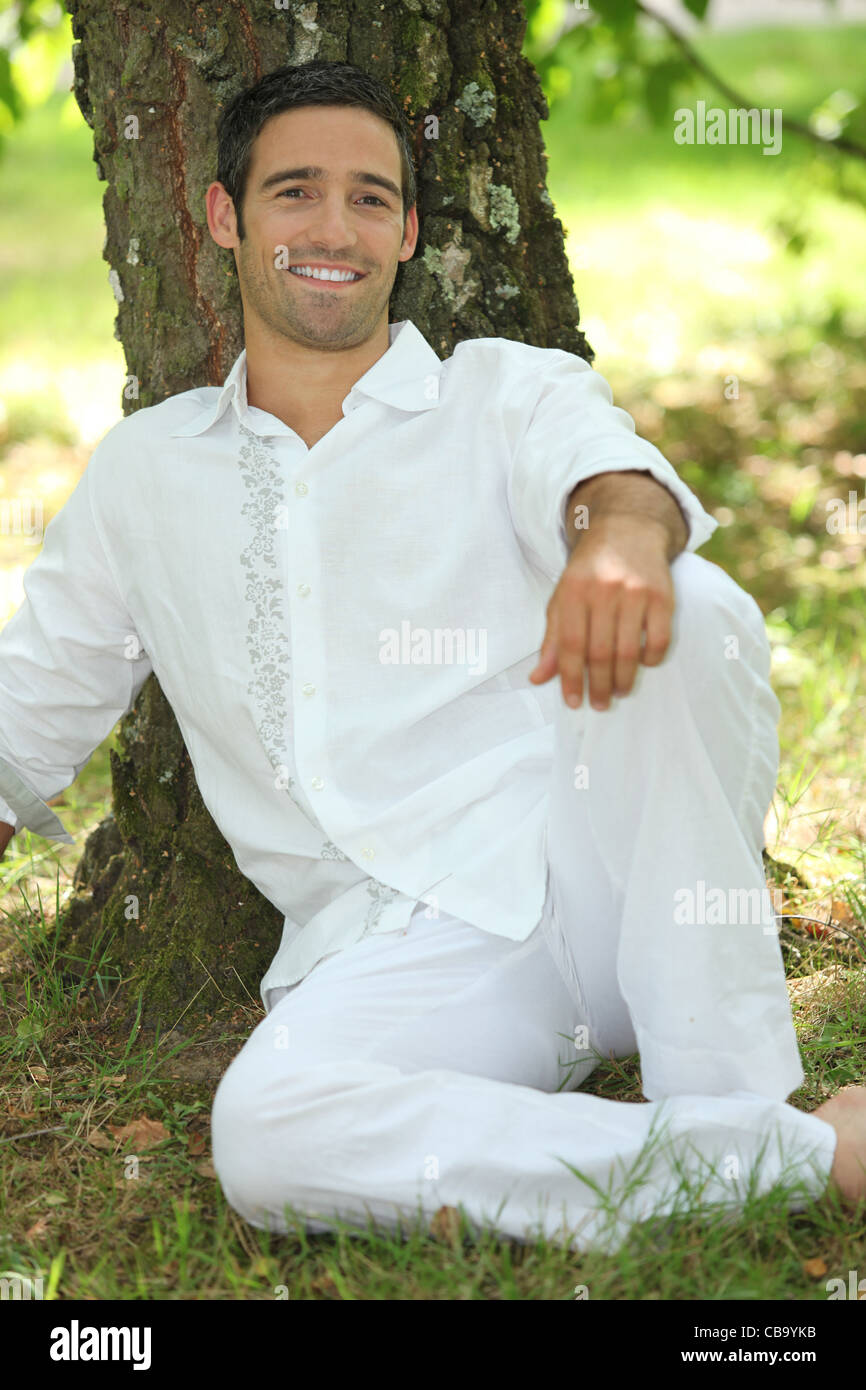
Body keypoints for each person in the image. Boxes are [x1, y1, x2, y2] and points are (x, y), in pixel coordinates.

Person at [0, 59, 863, 1255]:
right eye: (293, 191)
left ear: (406, 230)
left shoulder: (498, 393)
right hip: (405, 959)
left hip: (604, 880)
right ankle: (796, 1157)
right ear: (220, 218)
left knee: (692, 605)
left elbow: (610, 478)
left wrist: (616, 538)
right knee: (269, 1134)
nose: (332, 227)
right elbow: (24, 720)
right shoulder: (147, 472)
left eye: (368, 198)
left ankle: (728, 1082)